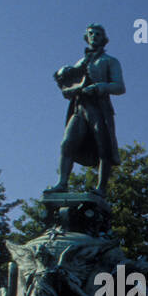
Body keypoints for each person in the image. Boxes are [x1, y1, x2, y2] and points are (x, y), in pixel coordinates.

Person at [48, 24, 125, 194]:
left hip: (99, 108)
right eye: (91, 33)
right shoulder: (80, 62)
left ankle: (101, 188)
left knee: (104, 147)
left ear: (103, 39)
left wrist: (99, 87)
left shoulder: (110, 61)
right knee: (67, 144)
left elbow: (119, 87)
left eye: (98, 34)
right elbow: (71, 85)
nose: (94, 36)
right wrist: (66, 83)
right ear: (87, 37)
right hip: (80, 107)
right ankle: (62, 183)